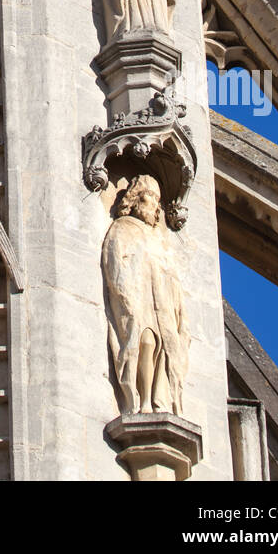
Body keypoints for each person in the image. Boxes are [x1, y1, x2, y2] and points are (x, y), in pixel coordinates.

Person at [101, 174, 189, 415]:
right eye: (152, 198)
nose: (156, 206)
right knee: (146, 342)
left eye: (158, 200)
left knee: (165, 351)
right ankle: (142, 402)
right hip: (136, 302)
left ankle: (160, 402)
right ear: (137, 200)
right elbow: (116, 265)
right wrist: (127, 297)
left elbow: (169, 273)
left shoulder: (157, 237)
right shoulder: (122, 228)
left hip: (162, 305)